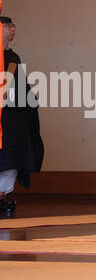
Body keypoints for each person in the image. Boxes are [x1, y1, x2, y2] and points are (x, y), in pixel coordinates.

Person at [0, 15, 44, 216]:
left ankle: (2, 197)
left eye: (13, 25)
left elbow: (18, 87)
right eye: (8, 25)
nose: (12, 29)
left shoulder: (13, 57)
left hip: (12, 118)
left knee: (11, 157)